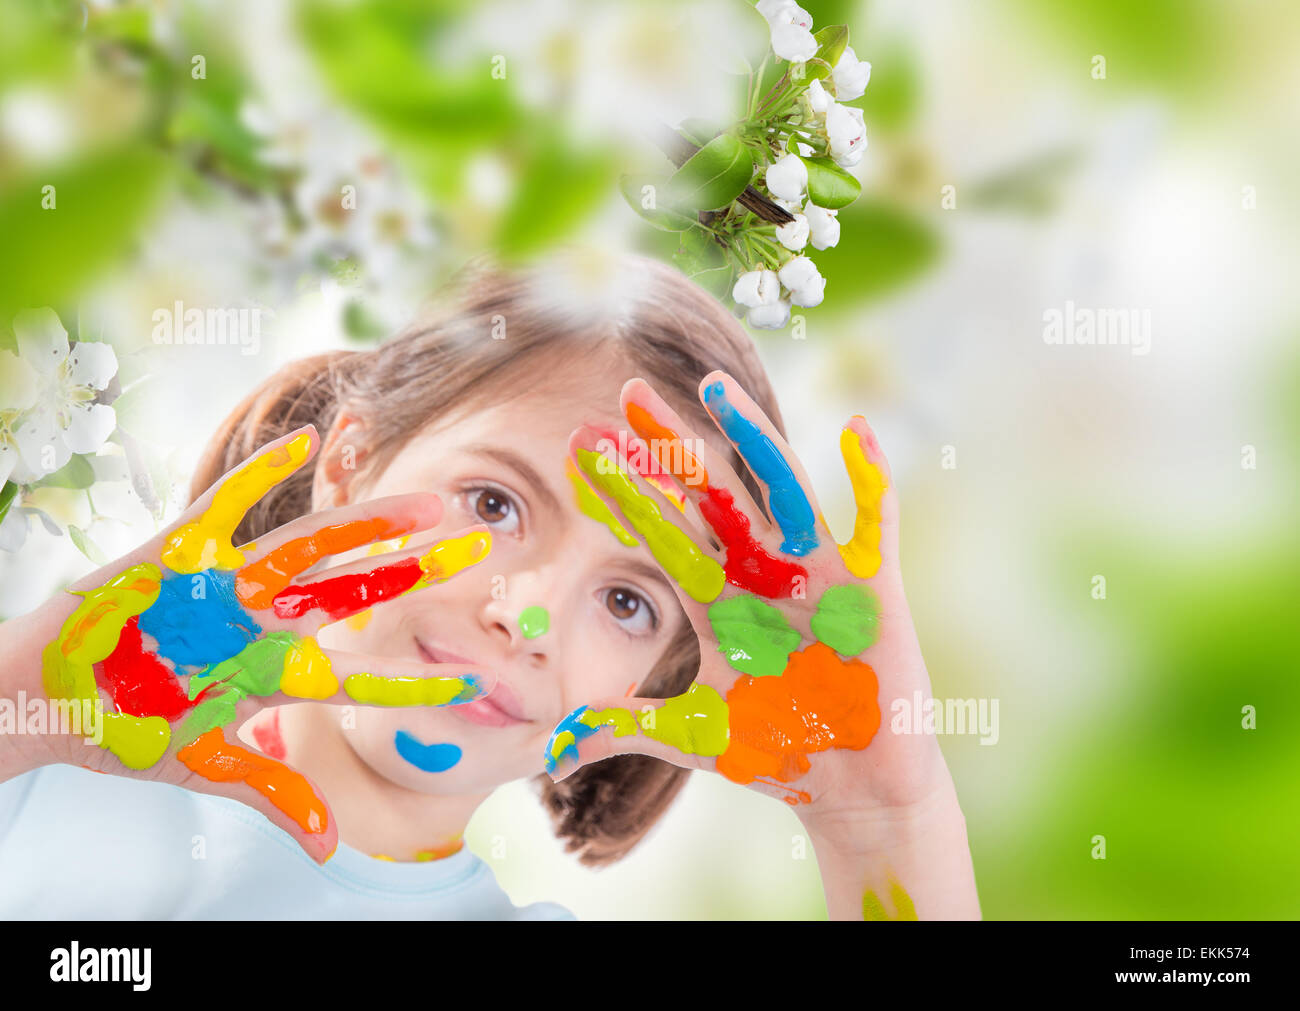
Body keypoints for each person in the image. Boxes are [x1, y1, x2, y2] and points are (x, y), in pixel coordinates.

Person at [0, 249, 979, 919]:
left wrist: (883, 821)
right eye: (495, 505)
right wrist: (31, 700)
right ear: (350, 464)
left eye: (628, 602)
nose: (529, 617)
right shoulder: (46, 777)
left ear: (657, 689)